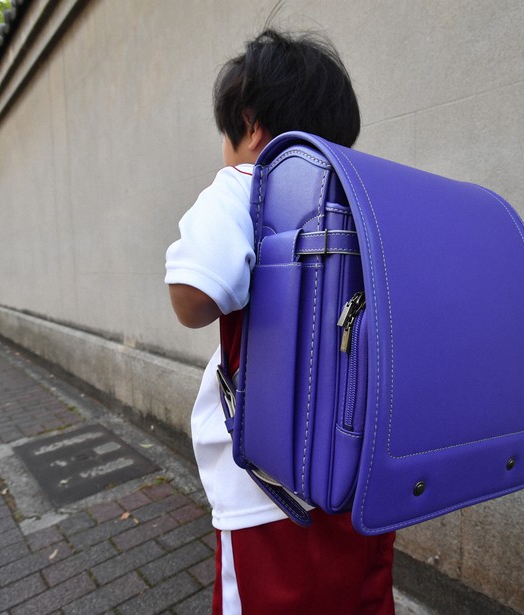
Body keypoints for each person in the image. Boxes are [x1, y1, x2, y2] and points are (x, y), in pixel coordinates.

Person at [165, 29, 396, 614]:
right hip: (365, 469)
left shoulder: (246, 184)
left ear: (249, 124)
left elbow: (194, 298)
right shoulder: (372, 202)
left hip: (270, 486)